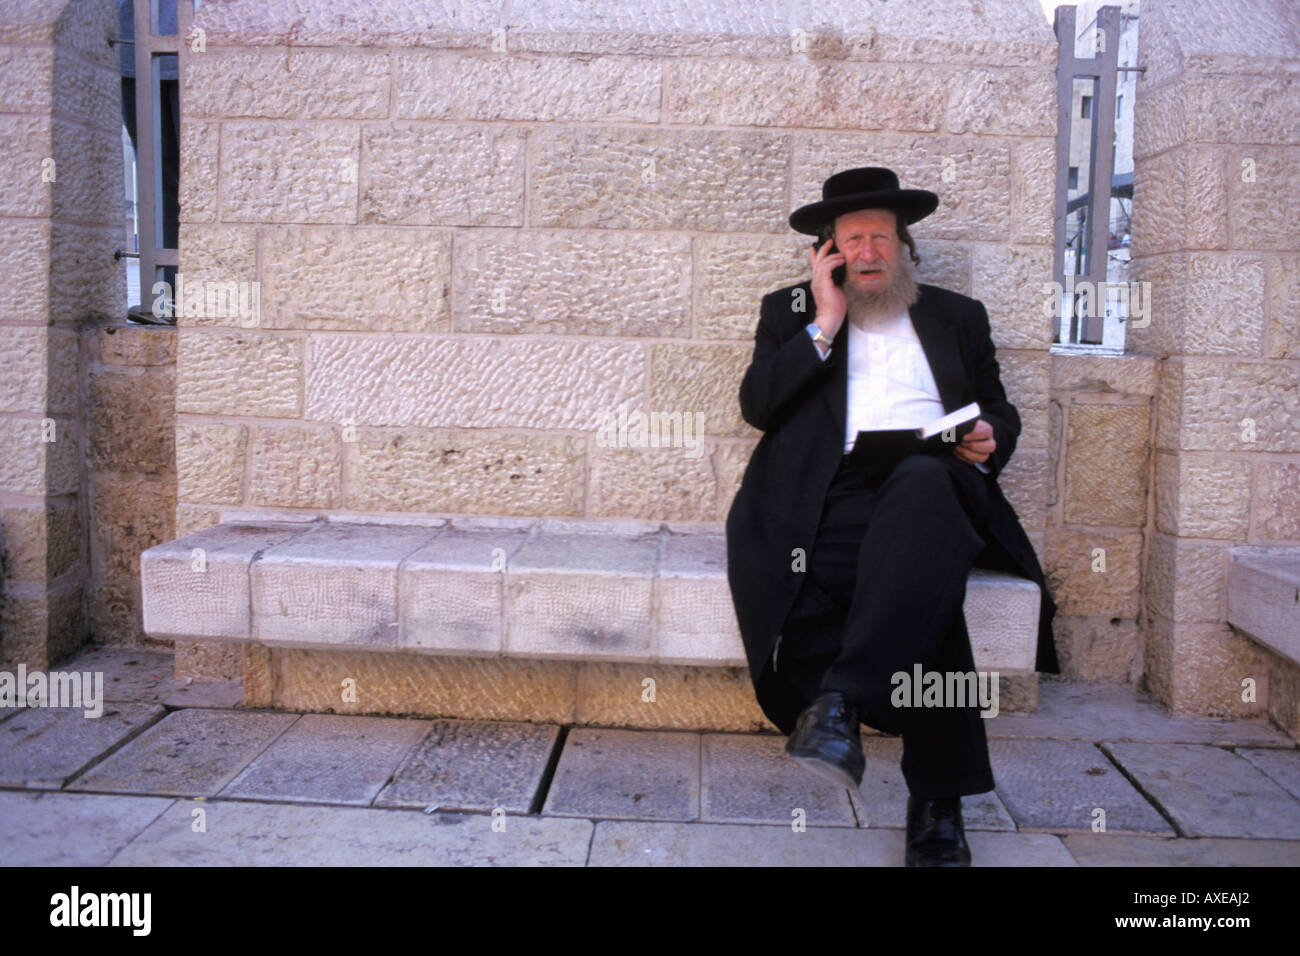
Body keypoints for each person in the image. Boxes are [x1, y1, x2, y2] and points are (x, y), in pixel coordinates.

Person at [725, 167, 1059, 866]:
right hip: (835, 491)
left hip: (943, 476)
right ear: (828, 255)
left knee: (923, 490)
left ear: (905, 249)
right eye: (853, 240)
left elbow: (998, 406)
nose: (869, 251)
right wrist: (824, 321)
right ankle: (937, 803)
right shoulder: (790, 313)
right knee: (924, 591)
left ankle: (841, 704)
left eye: (881, 236)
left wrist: (990, 435)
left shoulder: (956, 316)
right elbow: (759, 406)